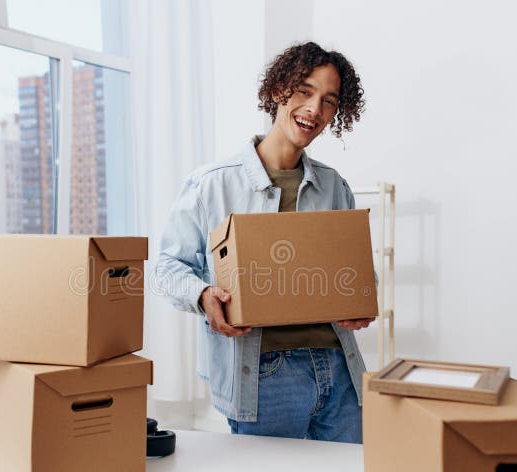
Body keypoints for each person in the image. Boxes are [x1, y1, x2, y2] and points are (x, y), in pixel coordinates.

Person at [154, 41, 374, 443]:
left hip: (339, 368)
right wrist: (204, 294)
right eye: (304, 91)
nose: (314, 109)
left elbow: (356, 272)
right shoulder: (212, 184)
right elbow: (168, 267)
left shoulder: (334, 187)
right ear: (278, 90)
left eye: (328, 101)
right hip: (266, 374)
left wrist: (359, 300)